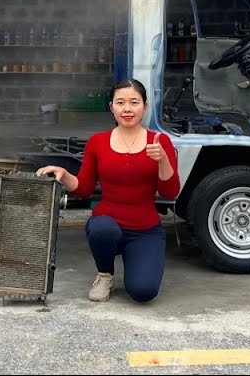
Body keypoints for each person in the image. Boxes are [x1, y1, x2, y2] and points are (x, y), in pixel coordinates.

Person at [36, 79, 180, 304]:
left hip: (145, 229)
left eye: (134, 102)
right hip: (108, 222)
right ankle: (105, 274)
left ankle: (136, 259)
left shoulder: (159, 142)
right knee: (102, 228)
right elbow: (83, 188)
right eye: (120, 102)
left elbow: (170, 192)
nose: (127, 109)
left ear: (145, 106)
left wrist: (162, 160)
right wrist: (64, 174)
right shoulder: (98, 142)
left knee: (143, 292)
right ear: (112, 107)